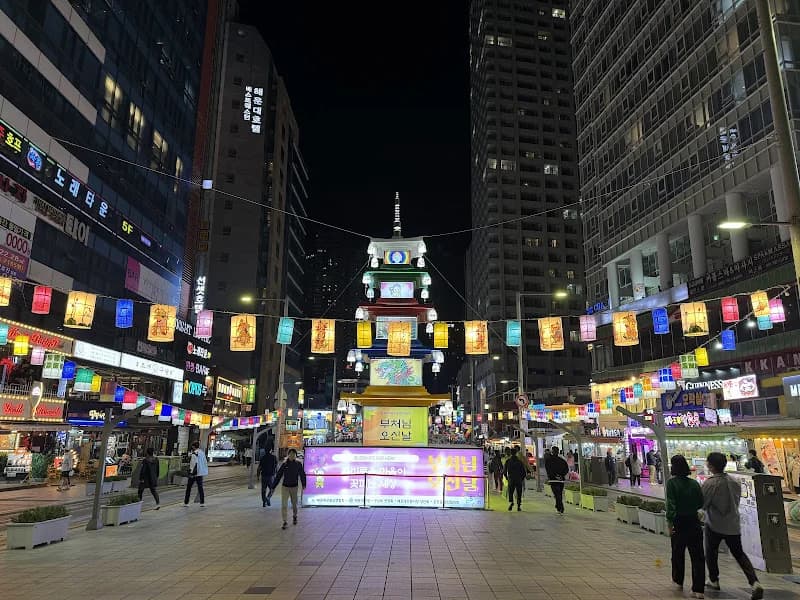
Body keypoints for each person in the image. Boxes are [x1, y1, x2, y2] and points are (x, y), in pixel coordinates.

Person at [702, 452, 763, 600]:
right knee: (739, 554)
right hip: (733, 524)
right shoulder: (734, 481)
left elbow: (703, 504)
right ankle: (754, 582)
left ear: (711, 465)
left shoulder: (709, 483)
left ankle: (714, 579)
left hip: (714, 524)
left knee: (711, 551)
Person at [666, 455, 705, 598]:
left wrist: (670, 523)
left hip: (679, 521)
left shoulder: (672, 483)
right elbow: (701, 503)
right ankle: (698, 589)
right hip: (694, 521)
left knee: (677, 552)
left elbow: (671, 504)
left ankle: (678, 580)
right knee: (698, 556)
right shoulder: (694, 484)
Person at [271, 448, 307, 529]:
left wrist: (304, 484)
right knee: (284, 504)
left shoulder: (298, 464)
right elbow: (278, 476)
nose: (292, 456)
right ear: (288, 455)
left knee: (294, 504)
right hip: (285, 487)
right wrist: (273, 486)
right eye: (290, 454)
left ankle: (295, 516)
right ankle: (285, 521)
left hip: (294, 487)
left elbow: (302, 474)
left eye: (293, 454)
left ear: (295, 456)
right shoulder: (284, 464)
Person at [544, 446, 569, 515]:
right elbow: (566, 469)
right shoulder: (562, 460)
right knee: (559, 494)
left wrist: (554, 476)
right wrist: (561, 475)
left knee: (556, 494)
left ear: (552, 451)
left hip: (553, 480)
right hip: (561, 480)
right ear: (558, 452)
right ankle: (559, 506)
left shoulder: (548, 461)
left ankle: (559, 507)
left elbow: (548, 470)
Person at [184, 441, 208, 507]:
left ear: (193, 446)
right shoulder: (202, 453)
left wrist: (191, 473)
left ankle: (186, 503)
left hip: (194, 474)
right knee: (200, 488)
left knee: (189, 488)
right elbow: (204, 462)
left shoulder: (194, 454)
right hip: (200, 473)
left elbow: (193, 464)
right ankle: (202, 502)